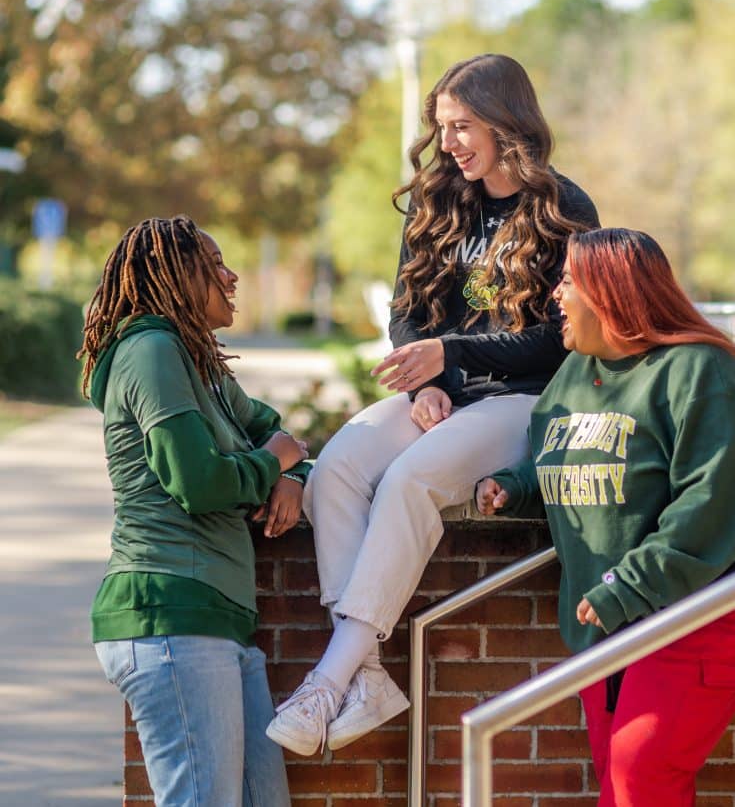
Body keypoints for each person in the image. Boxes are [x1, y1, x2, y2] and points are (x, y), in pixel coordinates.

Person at [266, 53, 600, 757]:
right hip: (446, 394)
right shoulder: (438, 200)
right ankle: (370, 676)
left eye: (462, 125)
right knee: (340, 468)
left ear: (506, 120)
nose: (447, 142)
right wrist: (425, 383)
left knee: (412, 480)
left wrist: (452, 355)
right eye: (441, 126)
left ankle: (327, 683)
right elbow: (406, 315)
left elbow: (559, 342)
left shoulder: (563, 208)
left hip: (522, 403)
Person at [476, 227, 735, 807]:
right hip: (605, 622)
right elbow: (560, 458)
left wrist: (628, 586)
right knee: (617, 785)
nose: (554, 297)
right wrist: (514, 488)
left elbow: (710, 502)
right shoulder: (573, 374)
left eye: (566, 281)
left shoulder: (698, 369)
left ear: (609, 290)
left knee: (641, 779)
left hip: (686, 617)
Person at [79, 215, 311, 807]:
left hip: (217, 622)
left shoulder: (197, 362)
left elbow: (276, 433)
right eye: (214, 265)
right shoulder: (151, 350)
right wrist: (272, 465)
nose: (232, 277)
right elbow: (199, 482)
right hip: (168, 617)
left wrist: (294, 475)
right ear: (178, 276)